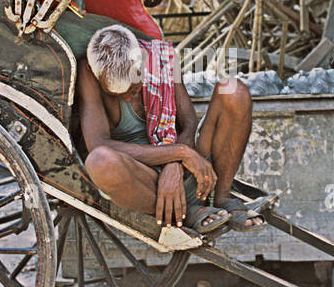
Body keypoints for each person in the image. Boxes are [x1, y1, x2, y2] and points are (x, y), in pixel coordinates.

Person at [77, 24, 270, 234]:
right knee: (100, 162)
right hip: (145, 180)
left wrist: (175, 164)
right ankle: (184, 212)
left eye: (133, 89)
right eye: (116, 94)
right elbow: (98, 144)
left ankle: (222, 197)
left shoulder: (161, 58)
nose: (126, 97)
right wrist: (178, 153)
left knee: (234, 92)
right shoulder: (89, 72)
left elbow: (188, 123)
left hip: (191, 168)